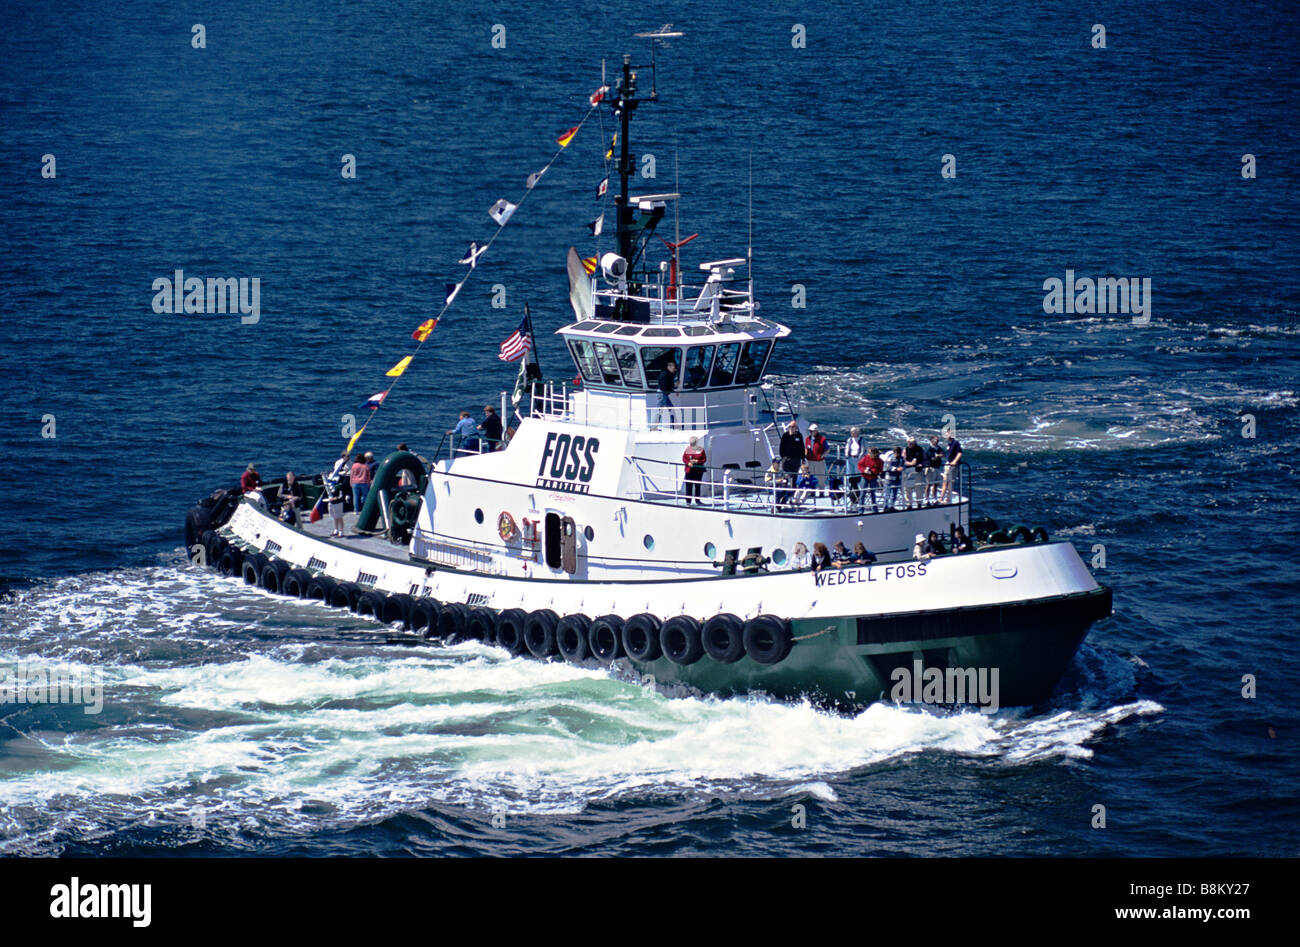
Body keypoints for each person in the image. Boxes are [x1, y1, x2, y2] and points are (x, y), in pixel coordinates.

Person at [682, 436, 707, 505]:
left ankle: (697, 500)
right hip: (689, 470)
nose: (691, 444)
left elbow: (704, 459)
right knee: (689, 485)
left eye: (693, 443)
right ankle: (688, 501)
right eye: (691, 443)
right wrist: (688, 463)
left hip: (698, 471)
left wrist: (697, 461)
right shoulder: (688, 449)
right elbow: (684, 458)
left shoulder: (701, 449)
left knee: (697, 486)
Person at [857, 446, 883, 512]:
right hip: (864, 477)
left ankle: (874, 509)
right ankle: (860, 510)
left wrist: (873, 471)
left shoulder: (879, 461)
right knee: (862, 493)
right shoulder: (865, 458)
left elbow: (880, 469)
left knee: (873, 493)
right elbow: (860, 465)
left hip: (873, 477)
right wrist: (864, 470)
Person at [805, 424, 829, 495]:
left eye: (812, 431)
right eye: (810, 431)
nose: (811, 432)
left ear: (816, 431)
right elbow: (806, 448)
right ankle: (812, 491)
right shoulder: (807, 439)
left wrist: (822, 455)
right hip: (810, 461)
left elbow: (827, 449)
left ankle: (821, 492)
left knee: (821, 477)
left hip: (819, 461)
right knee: (812, 476)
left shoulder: (822, 439)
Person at [940, 431, 964, 504]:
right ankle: (942, 498)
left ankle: (946, 499)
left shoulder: (955, 443)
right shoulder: (949, 444)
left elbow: (960, 453)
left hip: (952, 465)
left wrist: (954, 461)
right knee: (946, 481)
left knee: (949, 482)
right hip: (949, 464)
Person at [903, 435, 926, 509]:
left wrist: (921, 464)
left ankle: (919, 503)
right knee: (908, 488)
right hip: (909, 471)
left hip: (918, 471)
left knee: (918, 488)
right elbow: (903, 460)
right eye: (909, 443)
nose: (909, 444)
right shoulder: (905, 450)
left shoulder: (920, 449)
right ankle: (909, 504)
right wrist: (910, 464)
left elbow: (925, 460)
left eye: (911, 443)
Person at [844, 426, 864, 508]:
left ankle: (858, 491)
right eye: (852, 432)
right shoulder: (849, 440)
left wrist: (860, 457)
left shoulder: (861, 440)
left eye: (855, 432)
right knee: (850, 475)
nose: (853, 434)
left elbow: (863, 449)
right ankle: (851, 490)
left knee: (857, 474)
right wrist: (846, 455)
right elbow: (847, 447)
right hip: (850, 458)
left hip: (857, 459)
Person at [925, 435, 944, 506]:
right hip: (931, 468)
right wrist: (936, 457)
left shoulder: (938, 448)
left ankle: (934, 498)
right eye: (936, 440)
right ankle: (927, 499)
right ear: (932, 441)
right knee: (929, 484)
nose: (937, 442)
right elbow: (931, 458)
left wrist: (939, 456)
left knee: (936, 484)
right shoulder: (929, 449)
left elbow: (942, 454)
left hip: (937, 468)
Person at [883, 444, 904, 509]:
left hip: (897, 479)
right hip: (889, 479)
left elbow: (904, 466)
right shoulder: (890, 458)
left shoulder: (902, 459)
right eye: (896, 452)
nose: (897, 454)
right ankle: (885, 507)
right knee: (887, 494)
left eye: (899, 453)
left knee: (894, 494)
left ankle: (892, 506)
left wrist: (903, 468)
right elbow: (886, 467)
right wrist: (895, 469)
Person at [656, 361, 677, 428]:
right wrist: (673, 389)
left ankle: (672, 425)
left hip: (664, 394)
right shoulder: (665, 375)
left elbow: (667, 385)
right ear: (669, 367)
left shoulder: (667, 374)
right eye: (673, 367)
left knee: (670, 409)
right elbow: (664, 386)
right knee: (660, 410)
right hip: (662, 394)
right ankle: (655, 426)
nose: (674, 369)